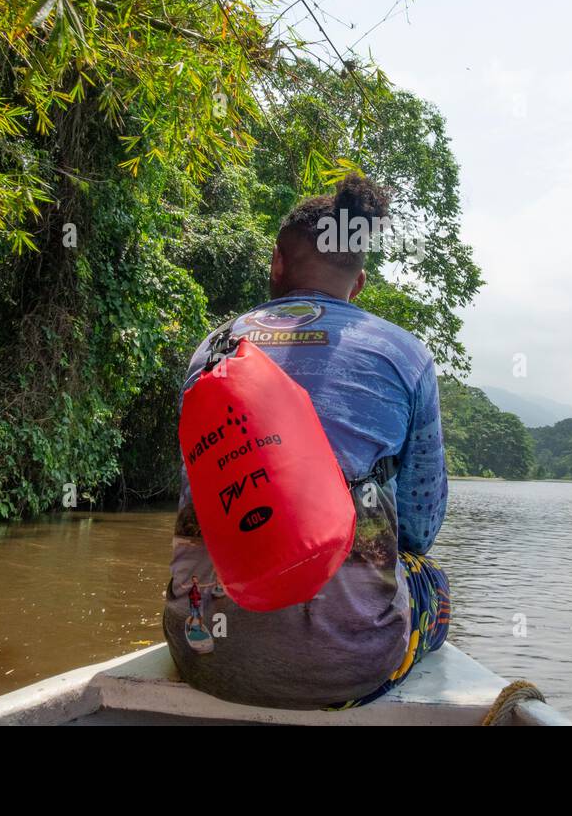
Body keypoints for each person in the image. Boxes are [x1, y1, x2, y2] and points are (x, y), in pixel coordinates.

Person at [162, 174, 450, 710]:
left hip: (199, 652)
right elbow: (419, 527)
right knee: (431, 580)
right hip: (347, 669)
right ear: (358, 283)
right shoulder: (402, 353)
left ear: (277, 263)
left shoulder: (214, 349)